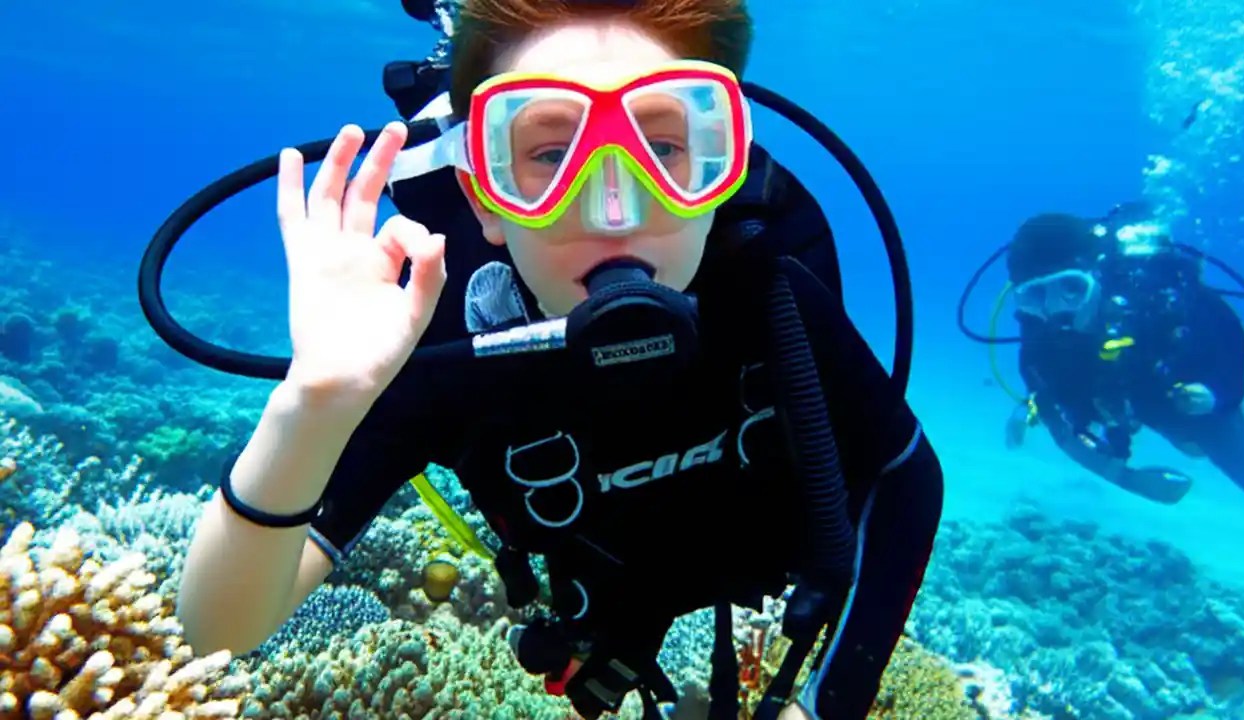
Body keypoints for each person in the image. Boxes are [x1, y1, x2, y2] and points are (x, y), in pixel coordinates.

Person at [172, 1, 944, 718]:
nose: (616, 208)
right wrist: (312, 406)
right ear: (483, 199)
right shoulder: (445, 346)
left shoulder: (767, 288)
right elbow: (218, 631)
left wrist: (826, 703)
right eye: (549, 152)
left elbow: (904, 475)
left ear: (721, 169)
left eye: (665, 146)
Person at [1000, 206, 1244, 586]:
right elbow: (1058, 420)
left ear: (1095, 274)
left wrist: (1218, 396)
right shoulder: (1039, 338)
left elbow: (1227, 339)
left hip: (1174, 393)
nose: (1054, 311)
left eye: (1071, 289)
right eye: (1035, 296)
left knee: (1209, 446)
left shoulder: (1157, 298)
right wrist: (1124, 476)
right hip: (1115, 399)